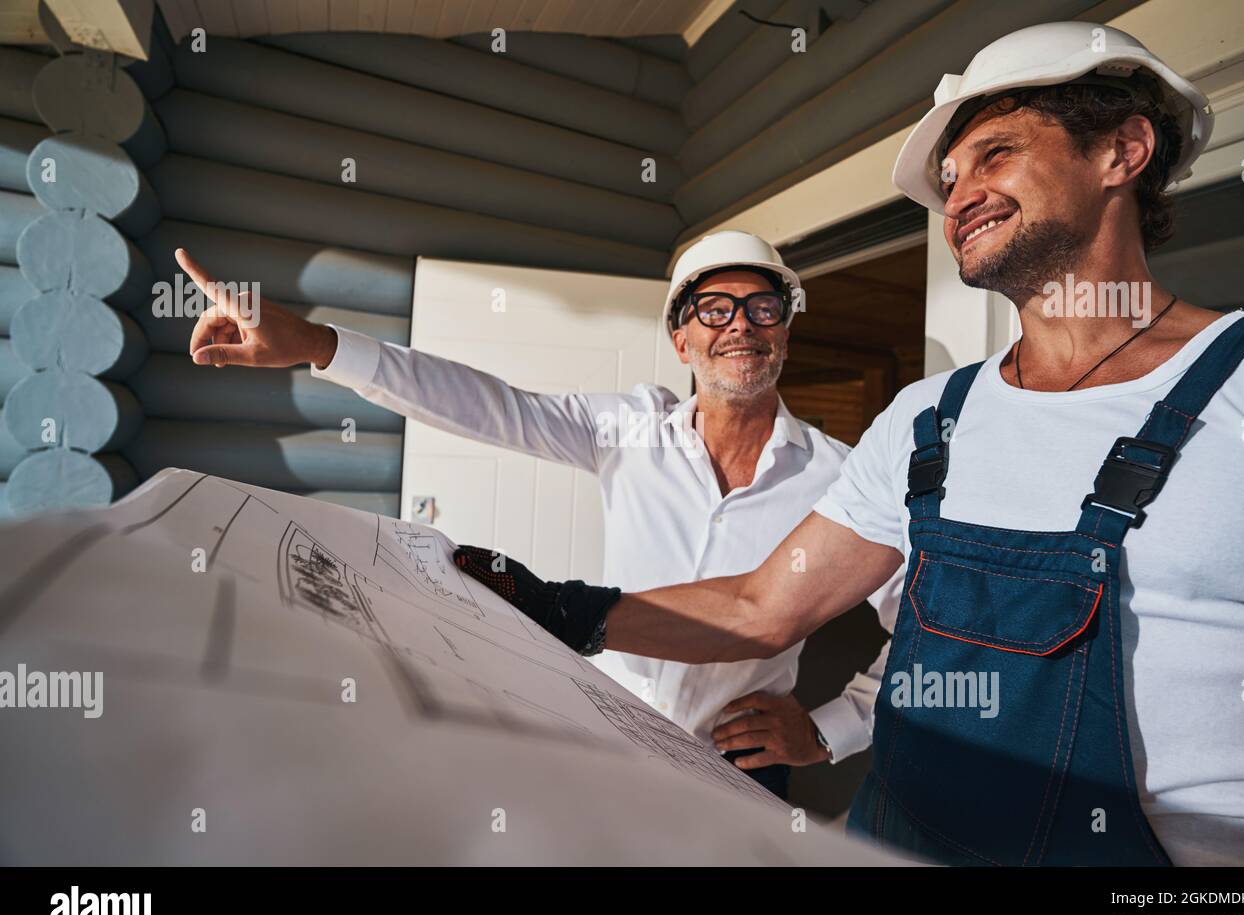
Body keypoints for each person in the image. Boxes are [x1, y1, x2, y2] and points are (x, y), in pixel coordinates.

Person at [451, 22, 1244, 865]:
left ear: (1124, 149)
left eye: (996, 153)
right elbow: (759, 608)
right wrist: (560, 606)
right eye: (950, 179)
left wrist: (820, 733)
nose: (959, 197)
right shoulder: (928, 420)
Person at [177, 231, 900, 800]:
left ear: (784, 331)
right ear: (682, 339)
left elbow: (922, 626)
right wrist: (316, 344)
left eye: (763, 308)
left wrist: (827, 731)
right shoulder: (629, 429)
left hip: (740, 765)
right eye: (715, 308)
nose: (741, 324)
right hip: (601, 731)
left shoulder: (840, 476)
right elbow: (488, 405)